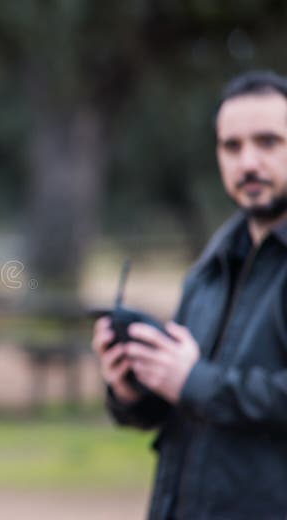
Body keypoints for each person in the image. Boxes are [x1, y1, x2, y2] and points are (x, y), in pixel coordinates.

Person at [92, 70, 287, 520]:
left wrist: (195, 381)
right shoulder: (209, 268)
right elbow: (186, 403)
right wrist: (134, 388)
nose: (248, 162)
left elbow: (199, 385)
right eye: (231, 146)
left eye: (268, 142)